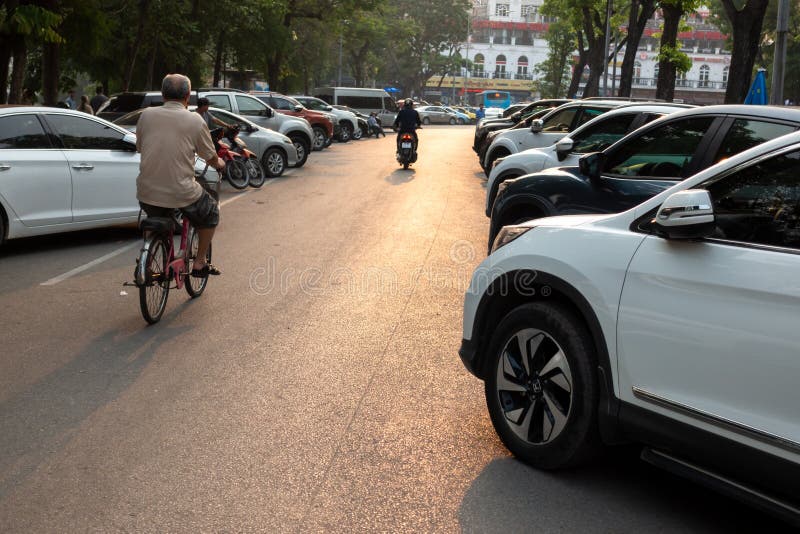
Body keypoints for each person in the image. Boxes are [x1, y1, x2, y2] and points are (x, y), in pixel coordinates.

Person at [136, 73, 226, 277]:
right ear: (188, 97)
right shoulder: (195, 120)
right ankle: (200, 263)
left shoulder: (146, 115)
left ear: (162, 95)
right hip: (181, 191)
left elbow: (140, 148)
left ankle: (148, 262)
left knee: (155, 214)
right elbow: (210, 156)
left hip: (146, 191)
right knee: (211, 213)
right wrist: (219, 163)